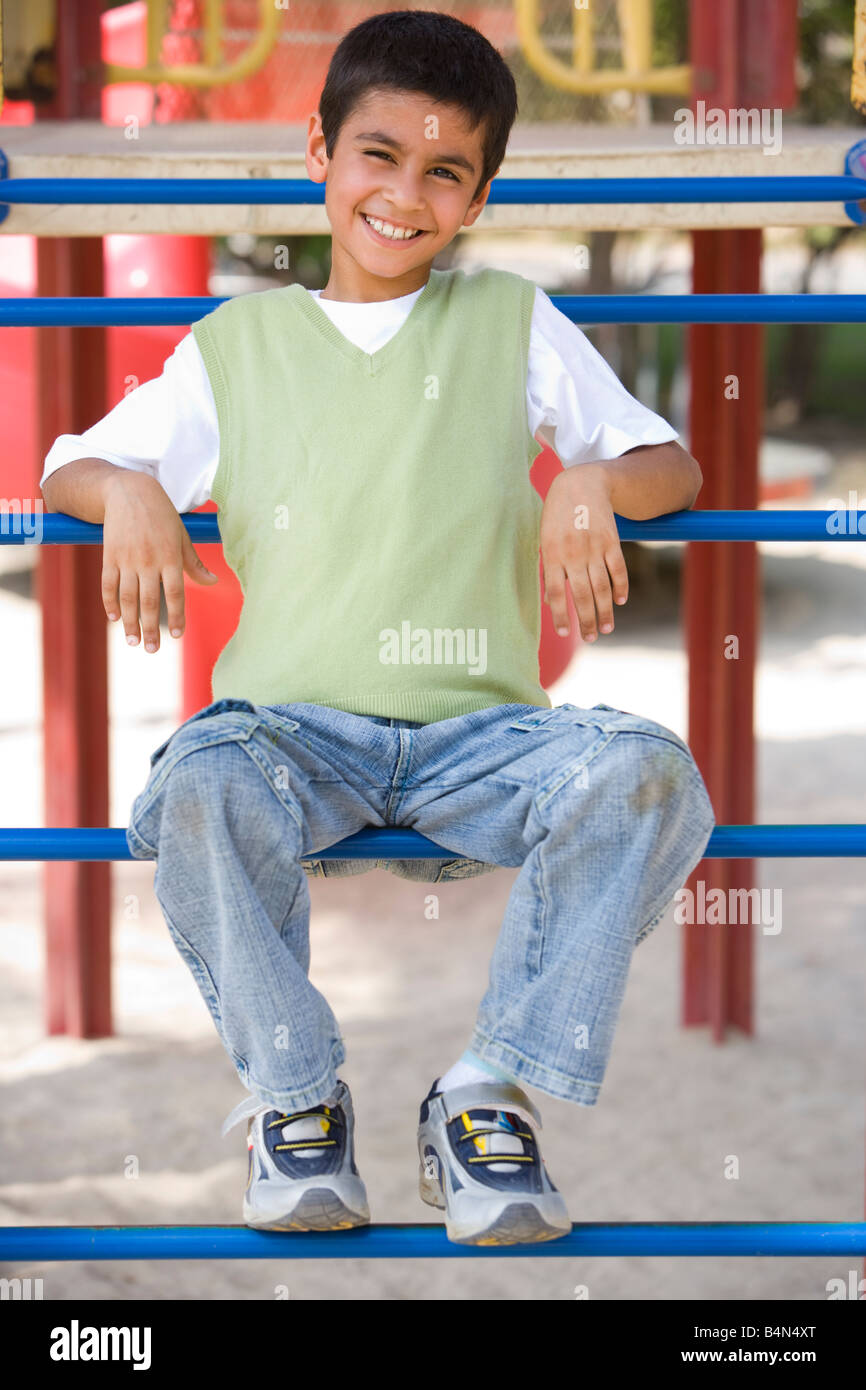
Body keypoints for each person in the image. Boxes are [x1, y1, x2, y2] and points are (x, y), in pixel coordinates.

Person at [40, 9, 715, 1247]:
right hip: (292, 737)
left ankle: (486, 1094)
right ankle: (296, 1100)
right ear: (318, 152)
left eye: (442, 170)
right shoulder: (234, 347)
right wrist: (129, 487)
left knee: (646, 771)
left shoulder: (513, 324)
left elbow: (666, 465)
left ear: (475, 198)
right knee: (195, 782)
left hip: (482, 737)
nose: (403, 193)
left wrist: (585, 480)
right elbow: (70, 465)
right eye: (377, 154)